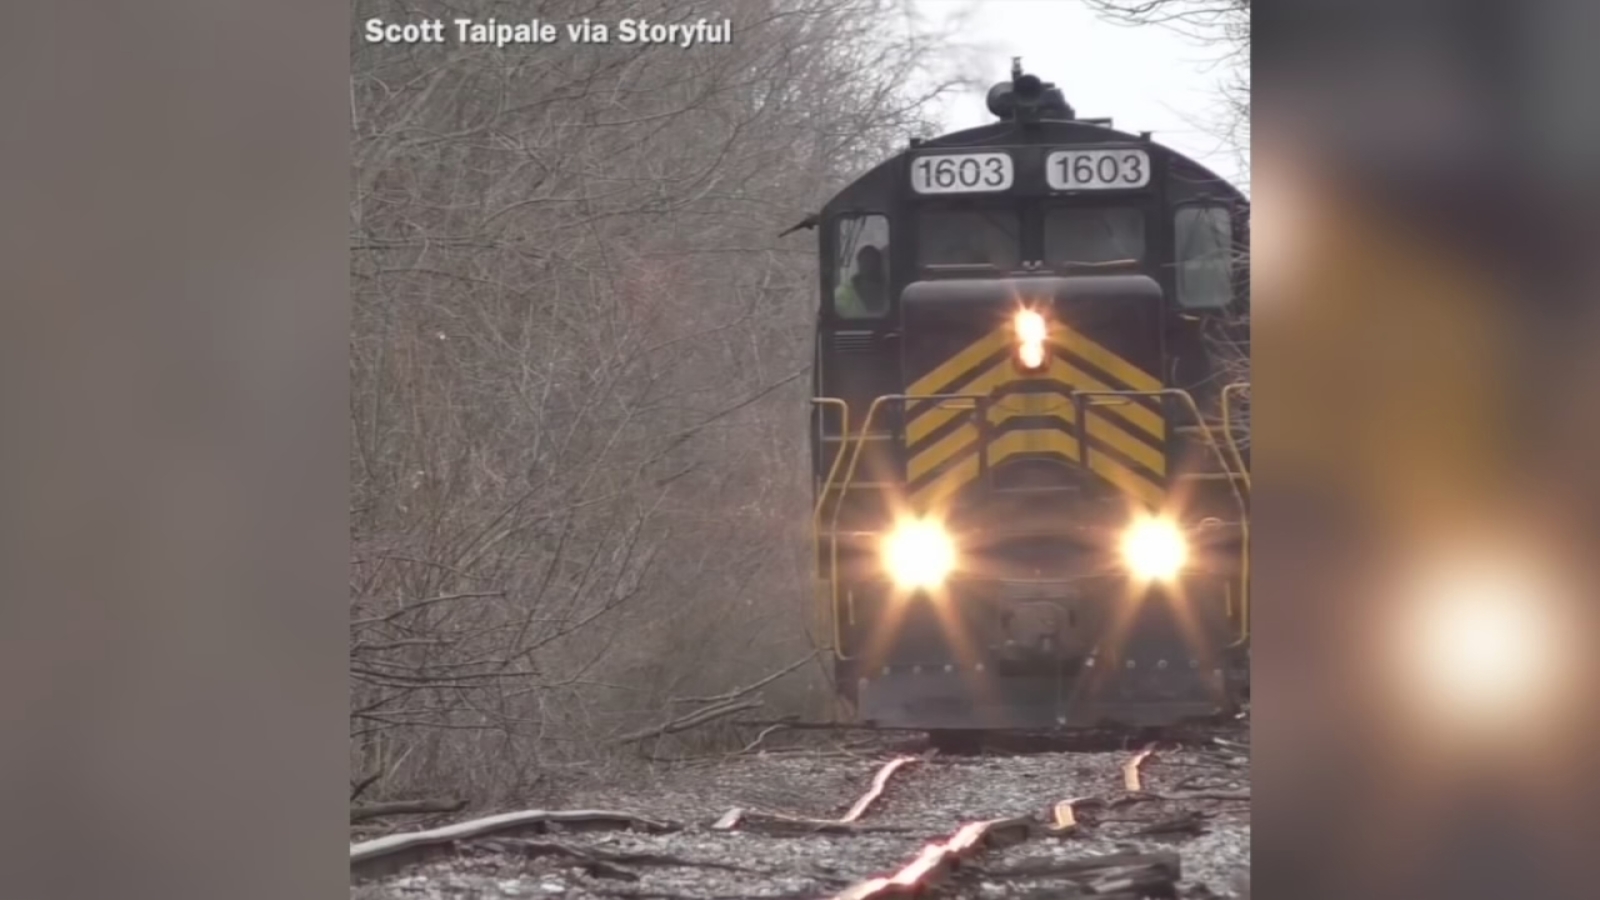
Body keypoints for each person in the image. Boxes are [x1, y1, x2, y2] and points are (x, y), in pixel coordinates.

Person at [833, 244, 887, 318]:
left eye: (873, 263)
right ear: (859, 265)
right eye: (866, 262)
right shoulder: (840, 296)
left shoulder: (890, 293)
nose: (870, 266)